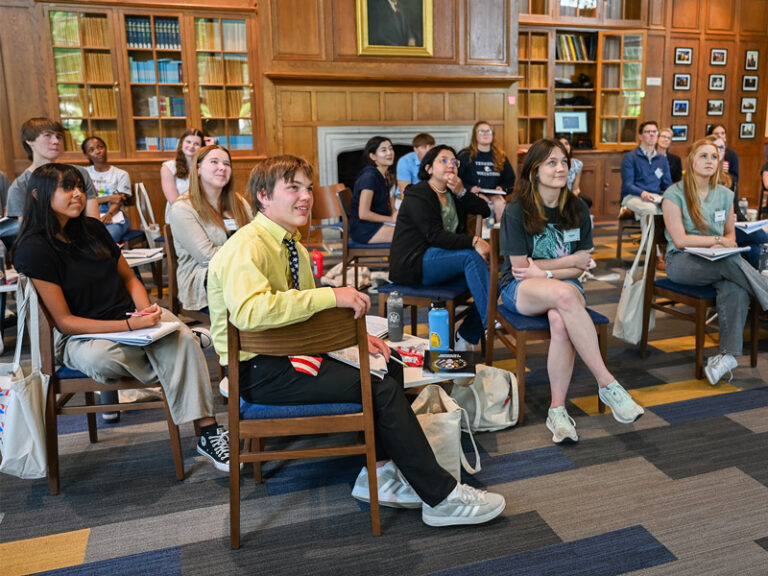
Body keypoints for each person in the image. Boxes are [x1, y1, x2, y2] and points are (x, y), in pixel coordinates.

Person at [206, 154, 506, 527]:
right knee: (378, 387)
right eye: (293, 188)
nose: (306, 197)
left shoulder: (292, 246)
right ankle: (441, 498)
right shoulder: (246, 246)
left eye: (308, 188)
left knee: (389, 362)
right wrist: (333, 296)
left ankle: (378, 472)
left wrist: (354, 337)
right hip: (258, 370)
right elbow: (251, 314)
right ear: (263, 196)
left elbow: (304, 314)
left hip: (289, 353)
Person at [10, 163, 234, 471]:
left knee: (179, 340)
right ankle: (184, 351)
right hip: (83, 336)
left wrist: (144, 310)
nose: (78, 194)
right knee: (105, 360)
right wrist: (128, 326)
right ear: (38, 195)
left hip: (131, 320)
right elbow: (65, 322)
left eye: (79, 187)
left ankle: (208, 433)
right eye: (67, 188)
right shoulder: (32, 249)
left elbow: (130, 279)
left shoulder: (93, 229)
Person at [498, 138, 644, 444]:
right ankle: (607, 383)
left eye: (564, 162)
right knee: (564, 295)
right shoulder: (516, 209)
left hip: (563, 282)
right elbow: (522, 268)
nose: (560, 168)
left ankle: (557, 410)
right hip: (520, 288)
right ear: (534, 170)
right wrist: (567, 262)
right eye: (551, 162)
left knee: (560, 319)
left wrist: (547, 270)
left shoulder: (577, 207)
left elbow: (582, 267)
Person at [661, 138, 768, 385]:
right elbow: (680, 240)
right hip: (681, 261)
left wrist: (724, 243)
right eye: (703, 156)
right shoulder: (674, 194)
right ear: (691, 161)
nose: (710, 161)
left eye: (714, 157)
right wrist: (717, 241)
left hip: (718, 260)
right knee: (730, 262)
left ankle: (727, 357)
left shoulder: (725, 194)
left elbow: (731, 235)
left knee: (736, 286)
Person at [389, 145, 491, 348]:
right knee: (471, 257)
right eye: (443, 160)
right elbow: (434, 235)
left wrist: (462, 192)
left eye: (454, 162)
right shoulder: (418, 194)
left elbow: (484, 210)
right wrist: (474, 241)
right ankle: (490, 322)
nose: (450, 165)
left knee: (495, 280)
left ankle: (466, 336)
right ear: (428, 168)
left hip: (443, 260)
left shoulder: (453, 193)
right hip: (415, 263)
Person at [169, 145, 252, 312]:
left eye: (227, 164)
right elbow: (207, 257)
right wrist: (248, 254)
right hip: (202, 278)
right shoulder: (183, 208)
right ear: (198, 169)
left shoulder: (239, 202)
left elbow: (256, 237)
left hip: (244, 271)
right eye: (214, 162)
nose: (222, 168)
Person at [6, 118, 99, 237]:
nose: (56, 141)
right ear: (29, 140)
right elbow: (27, 233)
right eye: (48, 135)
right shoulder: (19, 186)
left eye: (59, 137)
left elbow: (94, 222)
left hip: (82, 240)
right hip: (44, 244)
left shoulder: (79, 173)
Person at [620, 120, 672, 235]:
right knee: (650, 210)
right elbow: (627, 185)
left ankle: (664, 244)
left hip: (655, 197)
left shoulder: (662, 160)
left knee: (672, 209)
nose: (652, 134)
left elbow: (667, 184)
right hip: (633, 196)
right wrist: (642, 193)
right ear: (640, 136)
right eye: (648, 132)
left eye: (654, 132)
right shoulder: (630, 157)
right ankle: (651, 246)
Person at [458, 121, 516, 222]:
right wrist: (470, 188)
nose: (486, 134)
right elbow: (457, 178)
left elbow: (510, 179)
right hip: (473, 194)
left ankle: (500, 230)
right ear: (475, 136)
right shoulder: (465, 155)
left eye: (489, 131)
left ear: (492, 135)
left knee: (500, 203)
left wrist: (502, 187)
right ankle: (484, 231)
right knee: (482, 203)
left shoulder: (500, 156)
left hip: (494, 194)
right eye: (481, 131)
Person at [81, 136, 132, 243]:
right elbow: (82, 199)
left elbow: (118, 200)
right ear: (86, 154)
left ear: (105, 148)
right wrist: (109, 198)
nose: (97, 152)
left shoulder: (121, 174)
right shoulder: (84, 173)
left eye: (100, 147)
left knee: (107, 238)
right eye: (91, 150)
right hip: (89, 217)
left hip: (115, 216)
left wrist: (109, 214)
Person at [350, 136, 397, 244]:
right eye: (383, 150)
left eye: (391, 149)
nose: (389, 153)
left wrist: (395, 214)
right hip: (365, 229)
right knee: (413, 234)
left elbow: (390, 204)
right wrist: (391, 219)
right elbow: (363, 214)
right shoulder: (369, 177)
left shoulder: (386, 175)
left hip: (378, 223)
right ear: (373, 156)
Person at [160, 128, 204, 217]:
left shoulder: (204, 167)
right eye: (188, 142)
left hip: (203, 213)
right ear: (181, 143)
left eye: (196, 144)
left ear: (201, 147)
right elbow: (174, 201)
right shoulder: (168, 167)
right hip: (179, 214)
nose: (191, 146)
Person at [558, 136, 591, 208]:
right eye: (561, 144)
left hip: (570, 196)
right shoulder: (555, 165)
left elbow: (575, 188)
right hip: (556, 196)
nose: (564, 146)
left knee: (586, 203)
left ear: (570, 146)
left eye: (566, 144)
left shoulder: (578, 164)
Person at [706, 124, 738, 193]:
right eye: (716, 134)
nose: (720, 136)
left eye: (722, 133)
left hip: (725, 187)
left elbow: (735, 178)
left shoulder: (731, 154)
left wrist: (725, 174)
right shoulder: (705, 153)